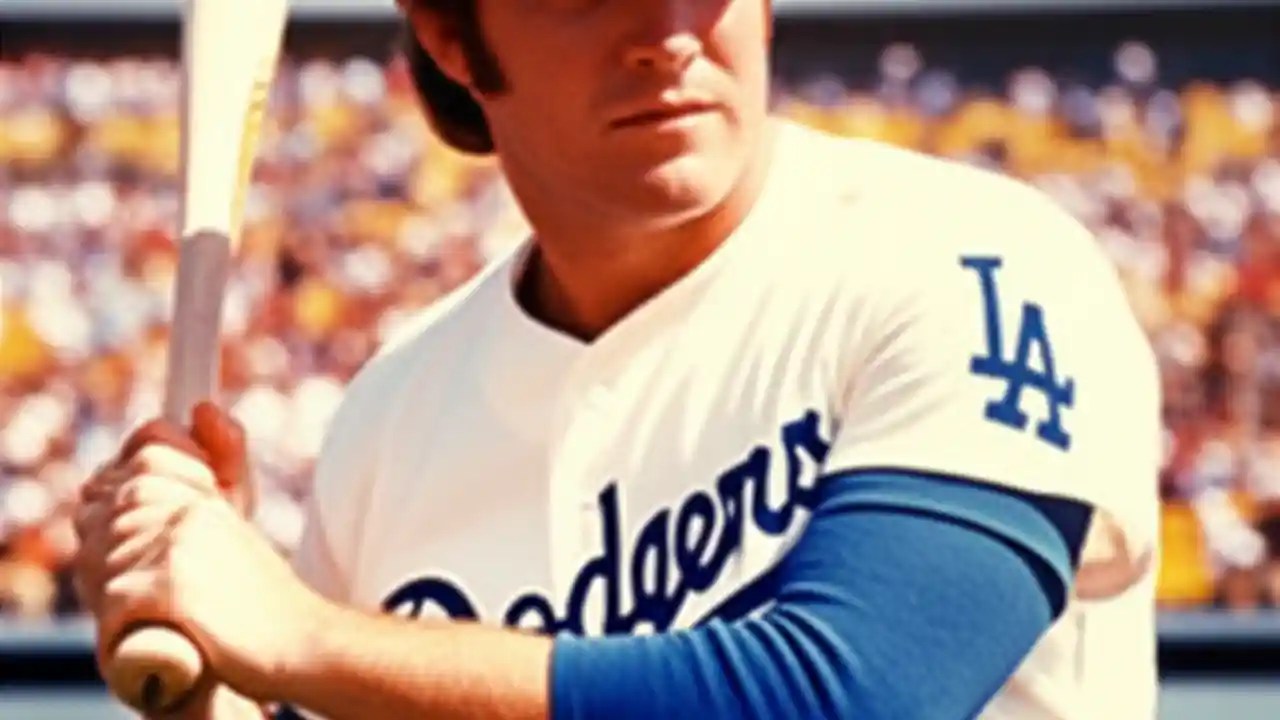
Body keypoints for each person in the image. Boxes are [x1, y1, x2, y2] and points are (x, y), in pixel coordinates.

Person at [72, 1, 1162, 718]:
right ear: (452, 36)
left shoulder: (972, 259)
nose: (669, 30)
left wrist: (294, 633)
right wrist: (211, 682)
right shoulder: (391, 421)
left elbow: (856, 695)